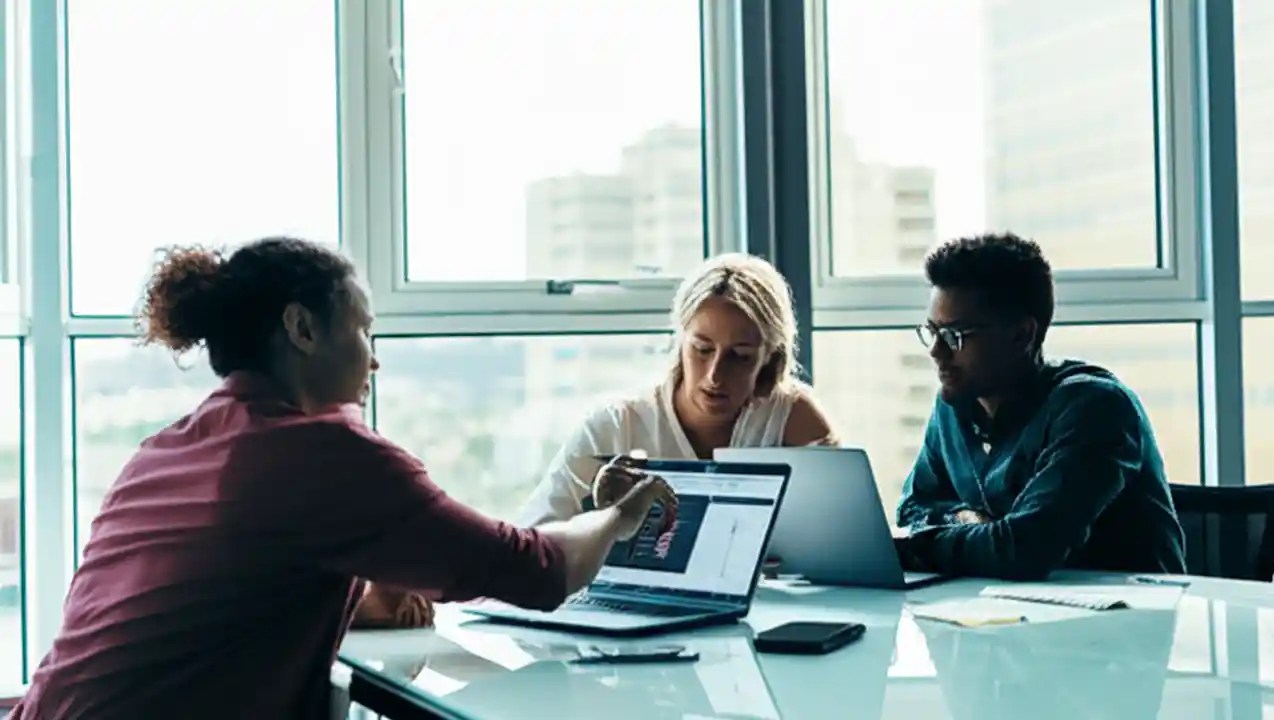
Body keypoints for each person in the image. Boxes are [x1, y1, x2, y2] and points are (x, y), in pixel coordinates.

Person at [13, 238, 675, 719]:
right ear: (302, 329)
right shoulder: (322, 453)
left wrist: (352, 599)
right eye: (363, 330)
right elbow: (538, 571)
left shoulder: (164, 449)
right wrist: (619, 513)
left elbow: (199, 592)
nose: (375, 360)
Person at [895, 233, 1185, 580]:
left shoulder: (1095, 408)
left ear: (1022, 335)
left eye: (955, 336)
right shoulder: (955, 404)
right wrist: (967, 520)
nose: (936, 352)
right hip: (1011, 615)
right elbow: (912, 510)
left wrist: (917, 546)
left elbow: (1023, 549)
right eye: (932, 332)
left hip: (1125, 618)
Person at [517, 253, 838, 526]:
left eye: (740, 357)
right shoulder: (615, 426)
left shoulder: (792, 418)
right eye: (702, 349)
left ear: (768, 357)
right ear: (681, 339)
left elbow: (844, 537)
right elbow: (536, 536)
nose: (715, 375)